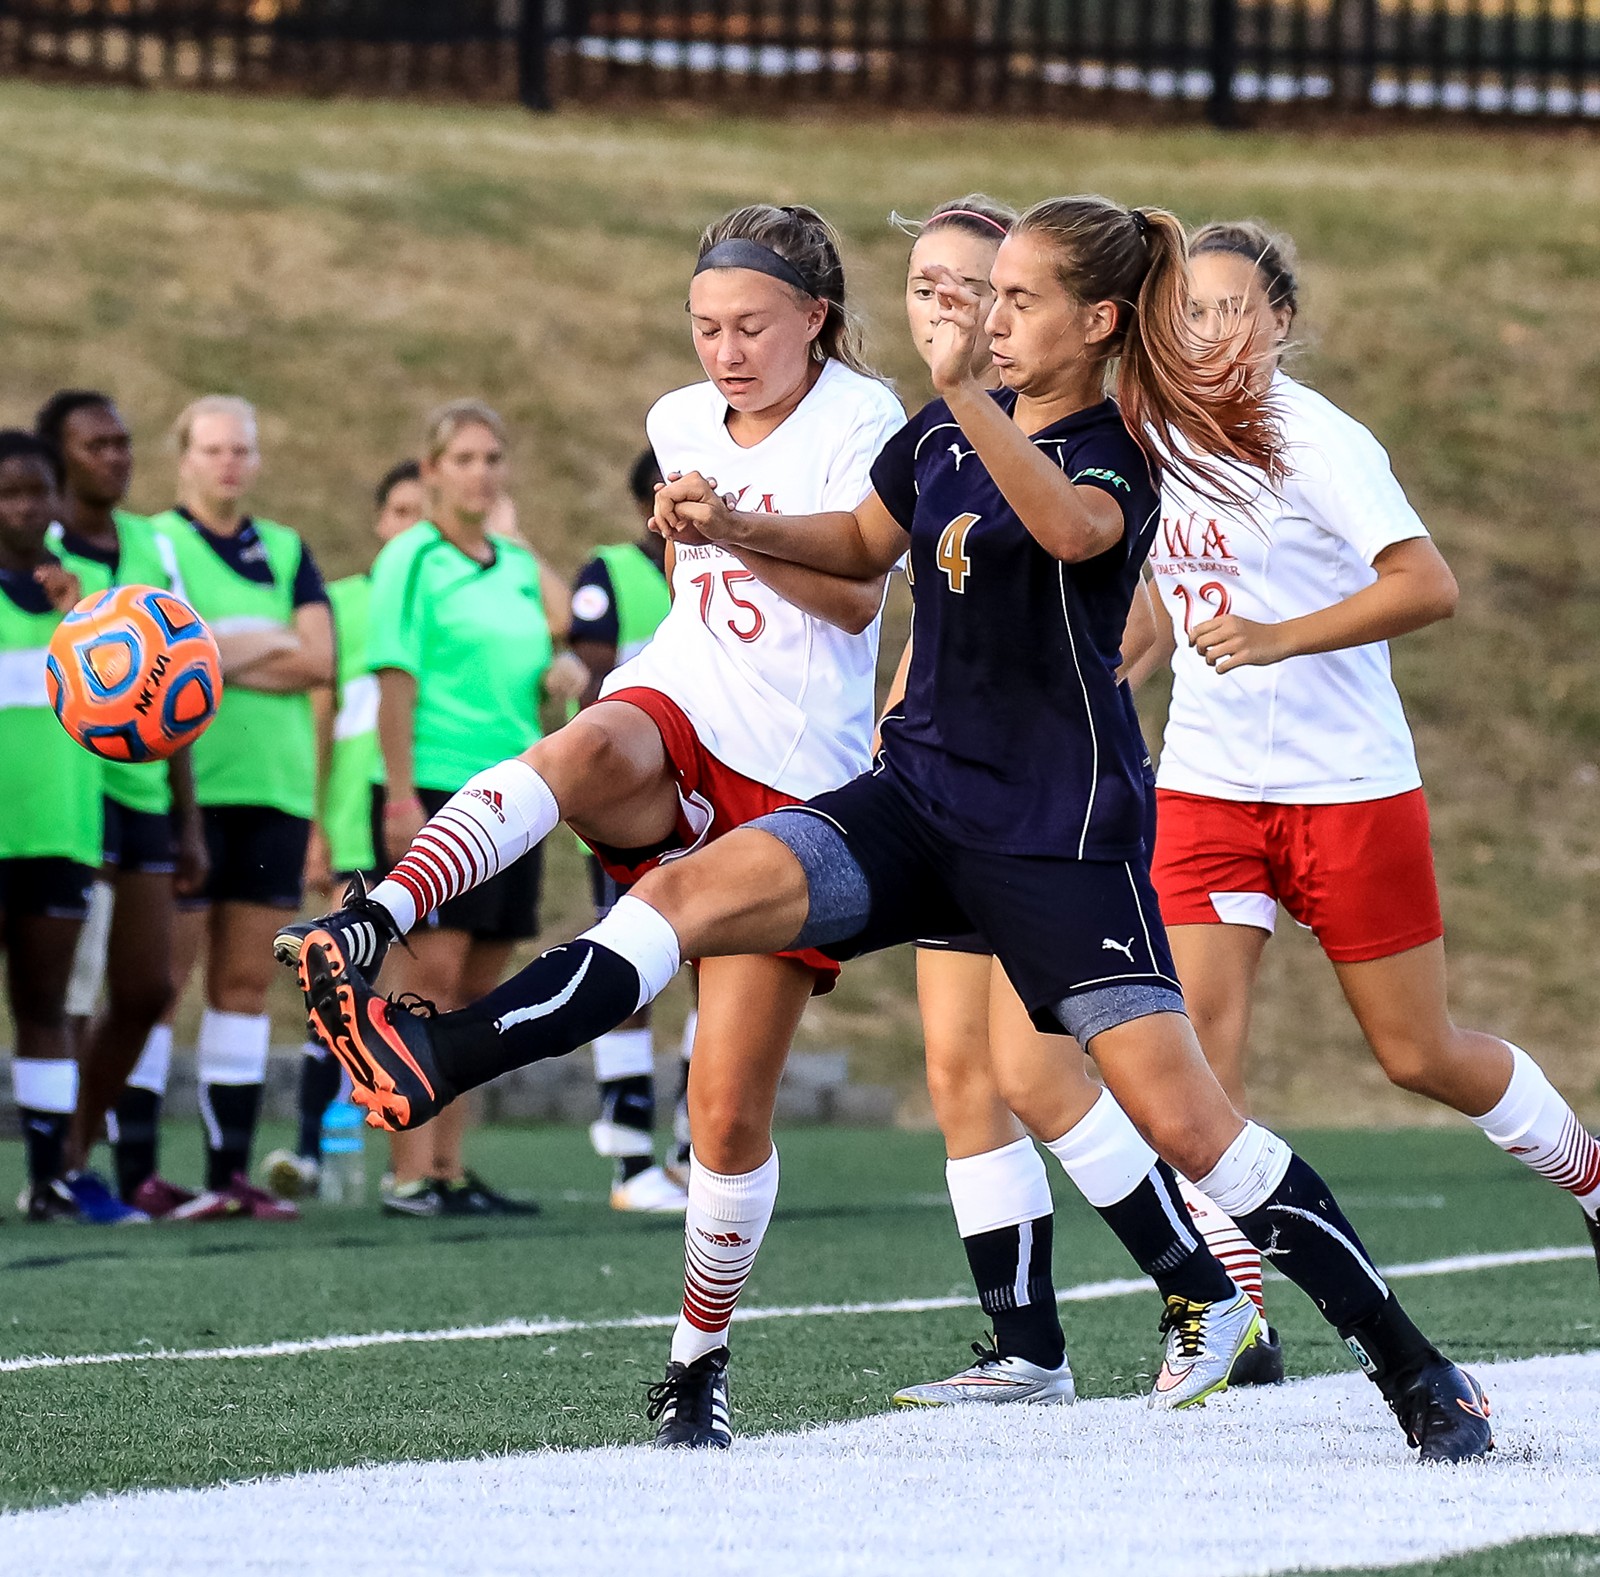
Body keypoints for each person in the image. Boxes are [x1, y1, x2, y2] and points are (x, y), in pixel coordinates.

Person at [288, 196, 1495, 1466]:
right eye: (988, 295)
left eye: (1017, 298)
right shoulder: (938, 434)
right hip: (916, 798)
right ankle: (439, 1055)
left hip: (1053, 838)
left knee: (1193, 1129)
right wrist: (733, 523)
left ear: (1094, 322)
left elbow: (1076, 532)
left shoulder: (1116, 443)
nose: (987, 314)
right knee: (686, 896)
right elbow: (865, 543)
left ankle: (1414, 1366)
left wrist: (969, 393)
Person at [276, 200, 905, 1411]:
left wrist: (732, 526)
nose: (724, 350)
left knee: (724, 1115)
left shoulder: (863, 419)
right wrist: (698, 542)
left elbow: (853, 601)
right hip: (683, 707)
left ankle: (695, 1358)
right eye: (704, 325)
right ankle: (371, 919)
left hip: (796, 783)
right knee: (581, 742)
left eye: (751, 326)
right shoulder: (678, 416)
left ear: (815, 319)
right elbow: (693, 583)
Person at [1140, 219, 1600, 1330]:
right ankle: (1233, 1305)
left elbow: (1426, 583)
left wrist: (1281, 634)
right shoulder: (1151, 433)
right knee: (1196, 1052)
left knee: (1416, 1051)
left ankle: (1590, 1169)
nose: (1207, 329)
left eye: (1230, 307)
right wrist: (1123, 650)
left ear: (1279, 322)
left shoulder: (1318, 439)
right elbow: (1166, 585)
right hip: (1202, 787)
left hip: (1345, 788)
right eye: (1188, 309)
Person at [878, 196, 1282, 1409]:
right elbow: (916, 593)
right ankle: (1028, 1347)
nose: (956, 316)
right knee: (962, 1071)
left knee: (1040, 1072)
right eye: (931, 294)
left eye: (981, 292)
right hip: (938, 782)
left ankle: (1212, 1287)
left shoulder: (1068, 432)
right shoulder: (946, 425)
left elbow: (1119, 593)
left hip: (1036, 807)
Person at [356, 402, 579, 1219]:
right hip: (438, 788)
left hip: (515, 791)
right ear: (431, 470)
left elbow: (561, 615)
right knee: (426, 981)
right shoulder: (409, 557)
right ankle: (409, 1171)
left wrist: (516, 541)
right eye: (465, 459)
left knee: (480, 992)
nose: (482, 473)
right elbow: (394, 674)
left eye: (493, 458)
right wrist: (402, 789)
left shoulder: (509, 561)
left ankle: (450, 1166)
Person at [132, 395, 333, 1221]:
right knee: (159, 984)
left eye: (240, 449)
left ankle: (227, 1174)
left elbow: (317, 658)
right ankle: (137, 1173)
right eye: (212, 448)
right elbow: (158, 651)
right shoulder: (155, 543)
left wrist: (211, 649)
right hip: (190, 790)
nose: (228, 462)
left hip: (276, 790)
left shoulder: (286, 549)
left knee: (247, 983)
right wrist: (250, 647)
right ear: (183, 456)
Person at [35, 391, 210, 1225]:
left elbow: (183, 684)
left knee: (145, 987)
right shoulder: (34, 547)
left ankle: (74, 1147)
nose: (116, 455)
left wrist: (189, 818)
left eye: (123, 442)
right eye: (95, 444)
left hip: (142, 796)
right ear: (57, 457)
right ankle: (60, 1167)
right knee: (65, 993)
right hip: (67, 799)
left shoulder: (151, 546)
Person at [261, 458, 425, 1201]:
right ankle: (310, 1147)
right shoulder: (348, 601)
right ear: (377, 521)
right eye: (398, 511)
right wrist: (320, 827)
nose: (409, 526)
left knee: (405, 990)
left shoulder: (455, 597)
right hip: (362, 817)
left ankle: (403, 1157)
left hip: (436, 820)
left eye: (424, 512)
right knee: (334, 982)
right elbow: (326, 716)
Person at [569, 448, 691, 1214]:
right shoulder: (609, 572)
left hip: (719, 789)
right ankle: (626, 1143)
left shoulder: (741, 564)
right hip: (639, 796)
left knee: (727, 961)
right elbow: (588, 687)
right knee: (633, 954)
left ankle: (695, 1141)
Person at [0, 431, 109, 1220]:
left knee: (46, 1007)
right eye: (10, 493)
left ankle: (50, 1176)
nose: (30, 507)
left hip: (62, 829)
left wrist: (83, 619)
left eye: (41, 491)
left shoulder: (94, 594)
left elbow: (133, 703)